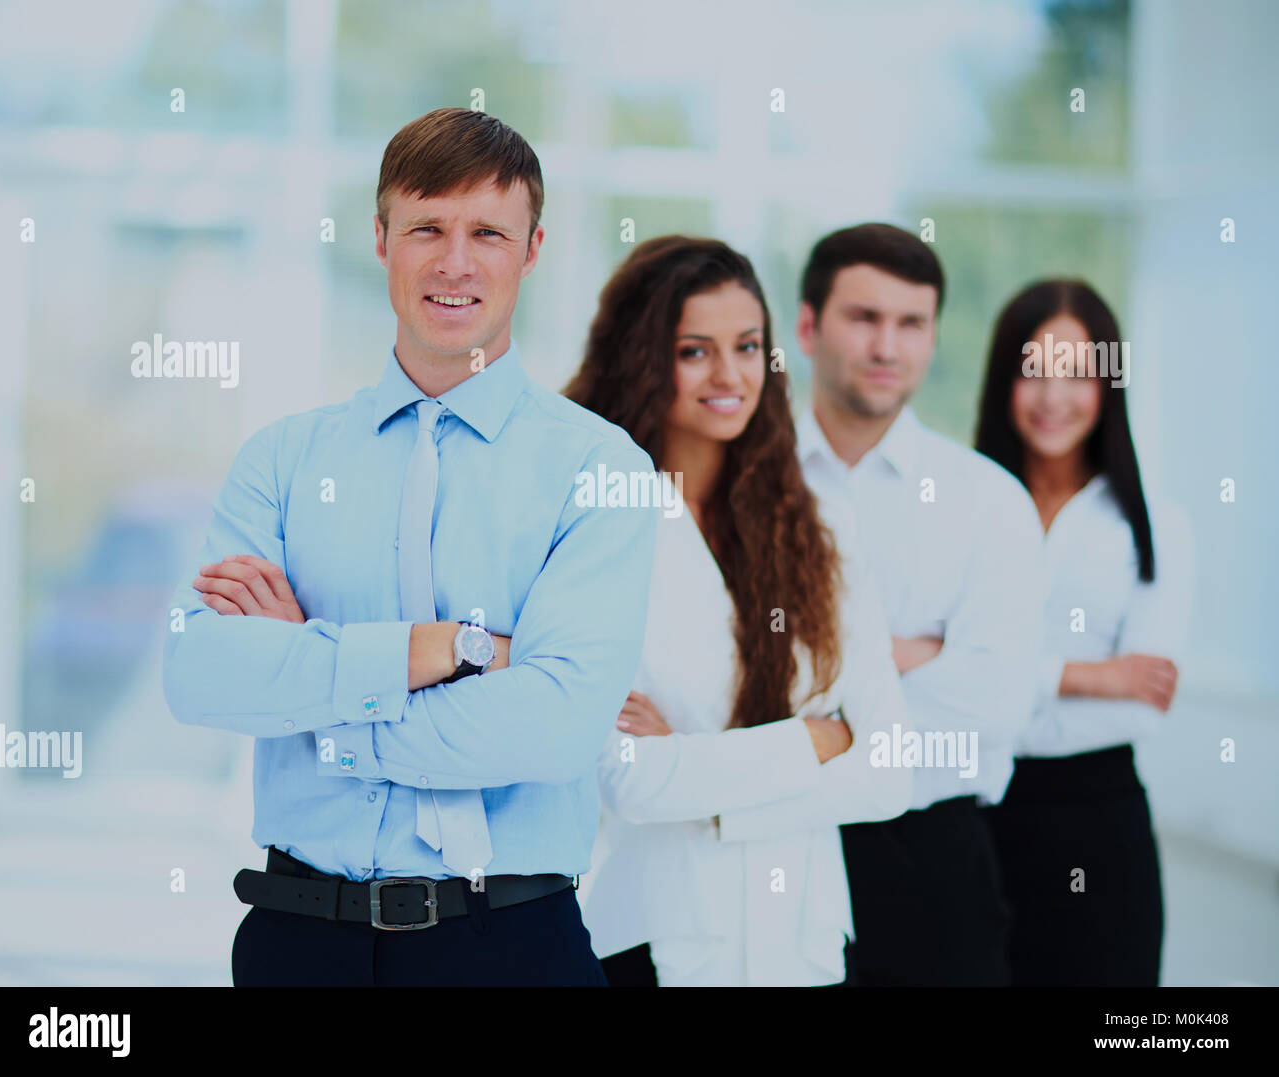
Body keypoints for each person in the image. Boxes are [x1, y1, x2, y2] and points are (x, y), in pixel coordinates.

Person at [161, 107, 657, 987]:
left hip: (507, 945)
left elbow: (557, 728)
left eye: (487, 233)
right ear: (381, 237)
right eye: (426, 226)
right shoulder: (281, 459)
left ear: (532, 250)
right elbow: (201, 675)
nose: (454, 261)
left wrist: (318, 698)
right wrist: (446, 652)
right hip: (297, 942)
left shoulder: (598, 467)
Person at [566, 235, 912, 987]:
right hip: (658, 943)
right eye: (695, 351)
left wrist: (705, 780)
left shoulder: (817, 520)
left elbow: (892, 768)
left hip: (807, 949)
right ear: (643, 358)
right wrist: (817, 738)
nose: (730, 375)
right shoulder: (598, 518)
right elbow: (627, 778)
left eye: (748, 346)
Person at [793, 223, 1045, 986]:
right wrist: (905, 656)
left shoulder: (987, 500)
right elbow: (713, 683)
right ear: (808, 326)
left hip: (931, 857)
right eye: (864, 317)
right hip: (772, 842)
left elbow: (997, 701)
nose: (887, 345)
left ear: (933, 338)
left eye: (911, 323)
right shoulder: (742, 483)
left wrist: (817, 684)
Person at [975, 279, 1193, 986]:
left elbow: (1142, 701)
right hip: (974, 815)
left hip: (1097, 823)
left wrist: (993, 669)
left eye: (1078, 373)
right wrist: (1087, 673)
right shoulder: (963, 505)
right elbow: (919, 670)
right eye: (1033, 370)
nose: (1053, 396)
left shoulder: (1155, 523)